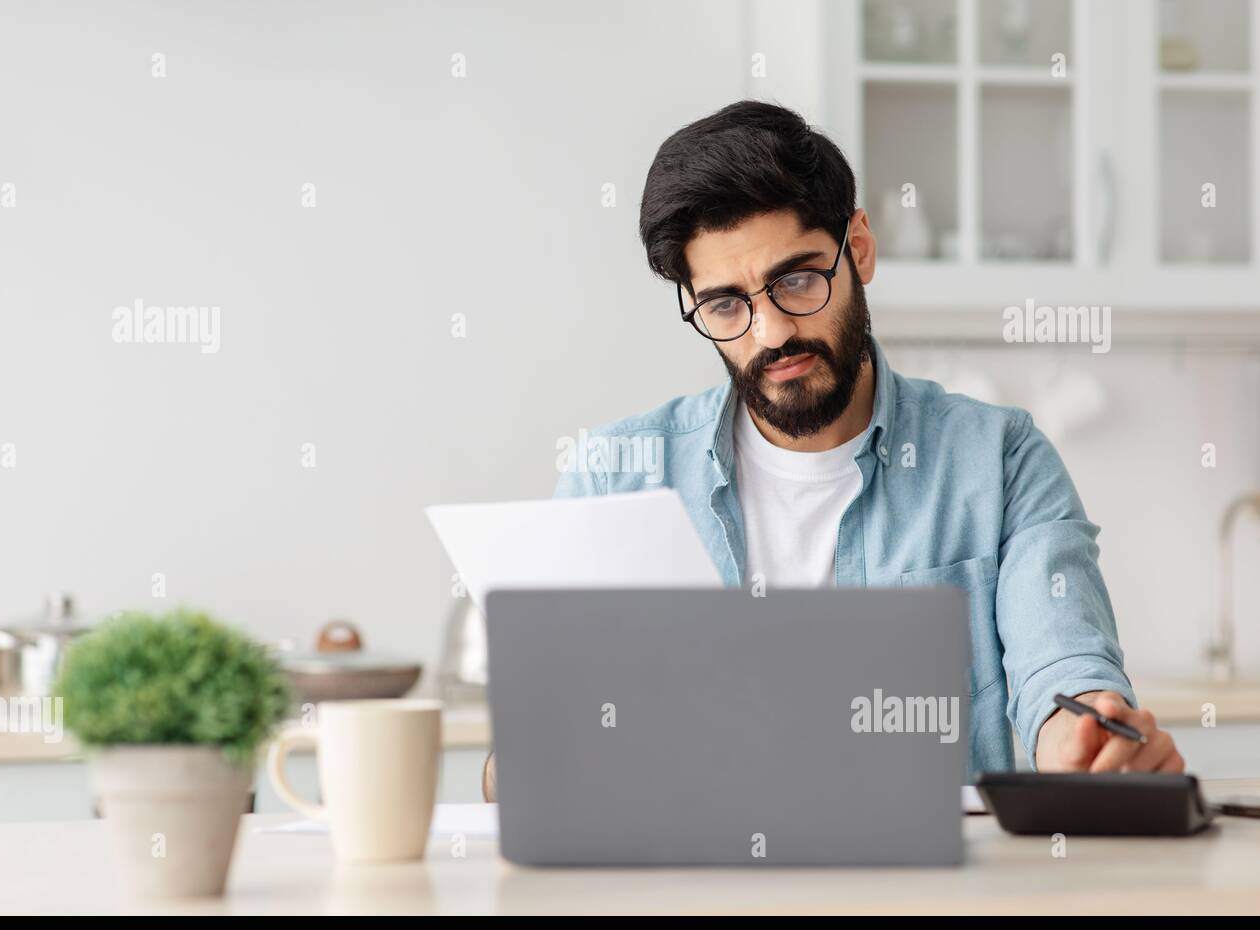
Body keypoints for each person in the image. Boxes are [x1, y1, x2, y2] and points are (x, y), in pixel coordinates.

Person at [481, 100, 1182, 802]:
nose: (772, 331)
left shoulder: (999, 461)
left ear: (860, 248)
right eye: (726, 304)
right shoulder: (615, 479)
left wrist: (1084, 738)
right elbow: (524, 753)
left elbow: (1062, 666)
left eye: (796, 279)